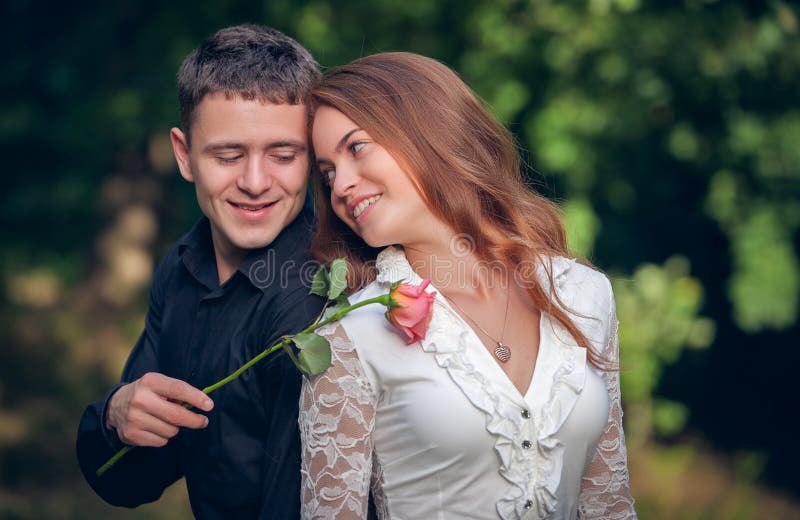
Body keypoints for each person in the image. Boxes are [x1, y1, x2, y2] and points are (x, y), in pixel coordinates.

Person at [299, 52, 637, 519]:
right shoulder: (348, 334)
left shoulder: (583, 293)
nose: (340, 186)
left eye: (355, 148)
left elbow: (609, 504)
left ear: (427, 127)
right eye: (328, 173)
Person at [76, 25, 324, 518]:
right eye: (228, 155)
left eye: (283, 155)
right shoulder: (181, 265)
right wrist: (113, 416)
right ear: (184, 155)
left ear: (313, 156)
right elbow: (132, 480)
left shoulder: (320, 295)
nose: (255, 183)